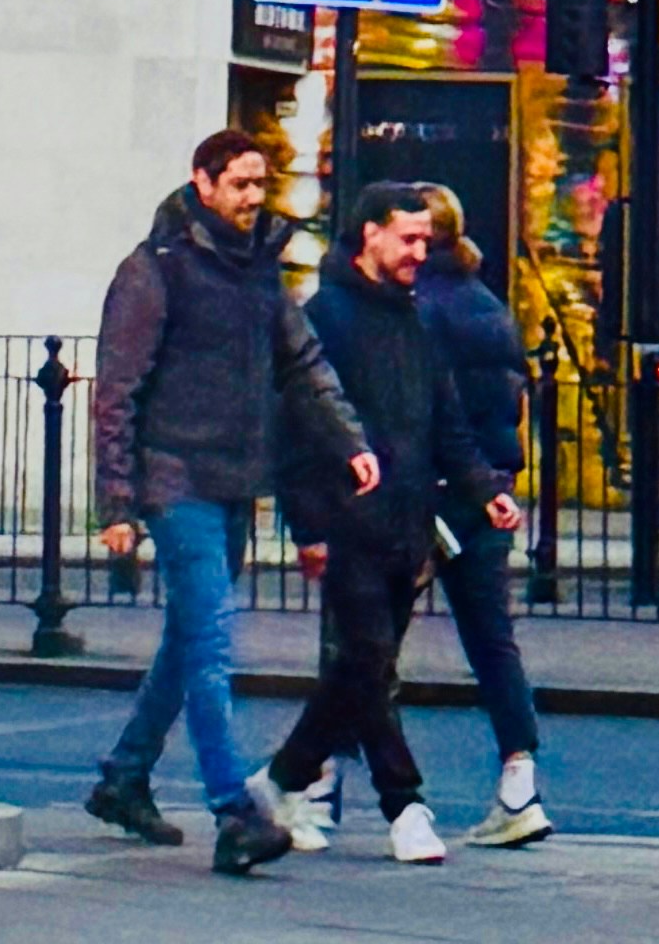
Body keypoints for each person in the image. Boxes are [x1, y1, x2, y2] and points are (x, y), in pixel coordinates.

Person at [92, 129, 376, 875]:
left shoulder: (258, 271)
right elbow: (116, 392)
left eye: (260, 183)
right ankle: (233, 812)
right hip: (176, 478)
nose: (254, 197)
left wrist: (350, 441)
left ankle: (125, 775)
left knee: (187, 640)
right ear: (203, 182)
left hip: (233, 481)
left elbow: (304, 363)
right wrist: (117, 504)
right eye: (240, 183)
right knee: (211, 648)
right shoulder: (156, 270)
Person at [267, 184, 519, 864]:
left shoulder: (415, 320)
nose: (419, 252)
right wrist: (308, 527)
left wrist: (485, 489)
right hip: (348, 522)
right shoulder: (326, 316)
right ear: (370, 234)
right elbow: (294, 430)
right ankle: (405, 805)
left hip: (407, 525)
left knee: (357, 671)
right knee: (371, 664)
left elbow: (447, 424)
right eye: (407, 238)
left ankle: (283, 780)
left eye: (424, 239)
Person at [413, 191, 553, 844]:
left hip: (433, 488)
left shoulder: (420, 307)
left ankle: (318, 779)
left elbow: (425, 408)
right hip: (488, 487)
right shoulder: (487, 303)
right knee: (492, 641)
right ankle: (519, 780)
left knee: (367, 640)